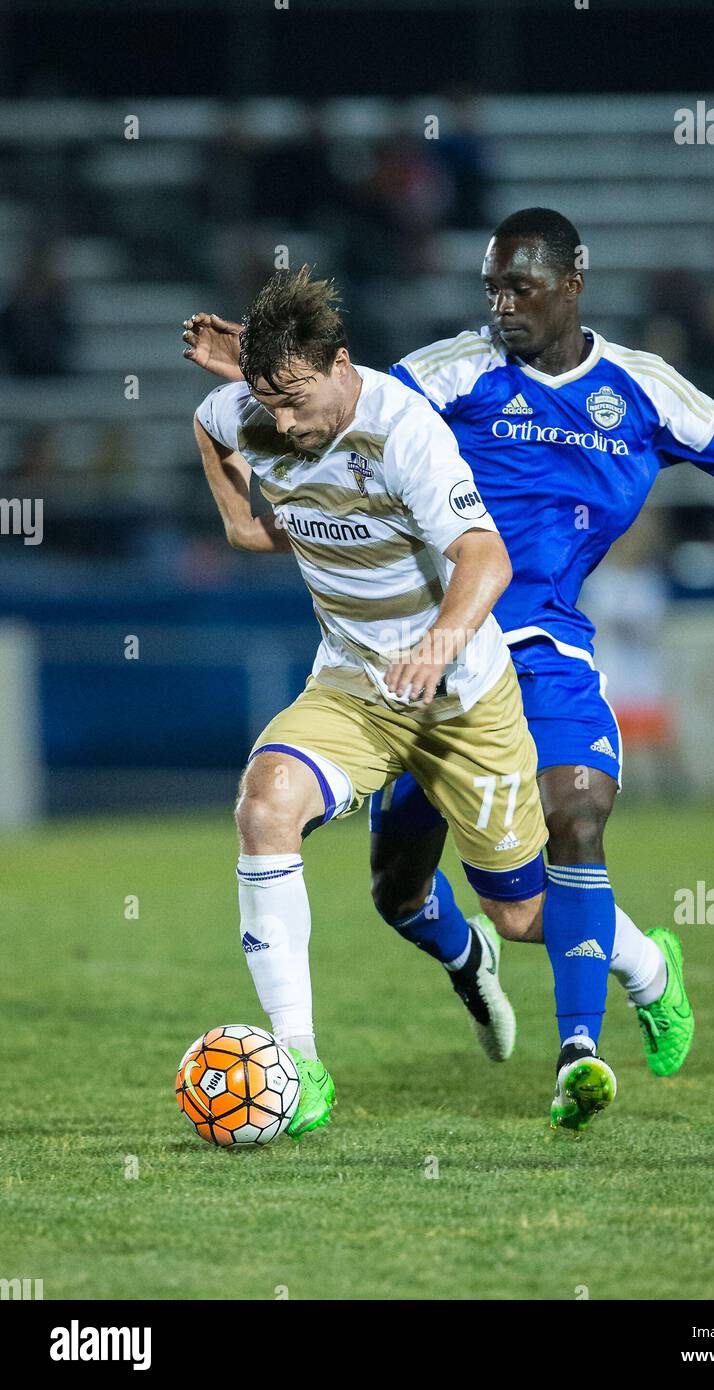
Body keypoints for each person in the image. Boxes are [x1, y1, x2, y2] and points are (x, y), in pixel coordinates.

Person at [184, 209, 714, 1131]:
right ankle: (492, 968)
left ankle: (594, 1036)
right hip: (393, 664)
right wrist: (260, 381)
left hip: (516, 655)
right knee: (399, 893)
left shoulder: (641, 389)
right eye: (490, 288)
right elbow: (352, 399)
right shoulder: (451, 373)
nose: (501, 307)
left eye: (519, 289)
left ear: (571, 283)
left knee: (572, 820)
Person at [192, 263, 620, 1141]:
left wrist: (438, 640)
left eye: (298, 400)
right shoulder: (240, 410)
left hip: (462, 697)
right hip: (355, 686)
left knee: (524, 908)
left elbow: (487, 559)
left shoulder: (406, 430)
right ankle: (299, 1066)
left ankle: (649, 966)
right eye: (269, 402)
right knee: (266, 805)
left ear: (341, 364)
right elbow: (229, 477)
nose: (283, 424)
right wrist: (250, 506)